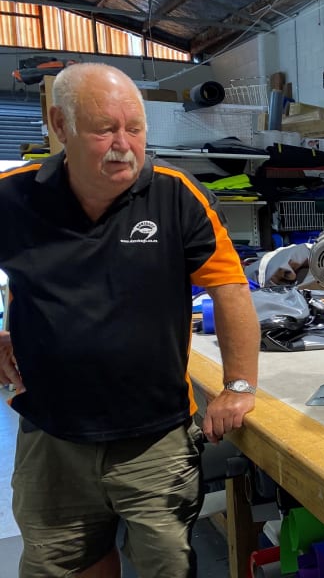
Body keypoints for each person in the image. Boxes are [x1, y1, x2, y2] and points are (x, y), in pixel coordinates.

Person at [0, 63, 260, 577]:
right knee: (66, 566)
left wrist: (239, 384)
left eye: (135, 129)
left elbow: (229, 288)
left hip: (155, 439)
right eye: (104, 129)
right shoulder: (12, 197)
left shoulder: (176, 196)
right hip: (53, 438)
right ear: (60, 125)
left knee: (165, 566)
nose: (123, 145)